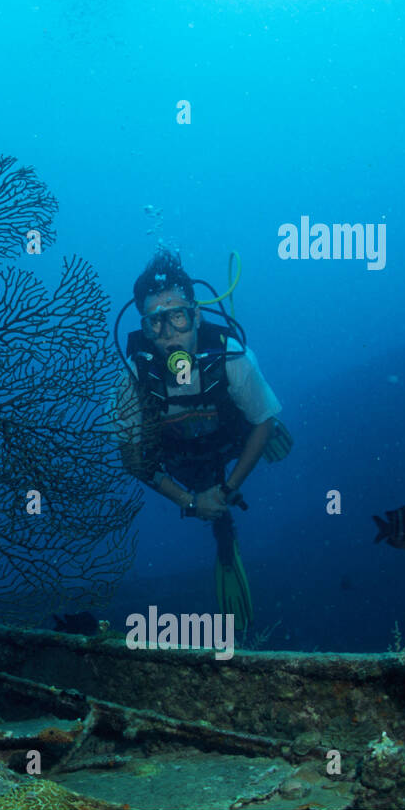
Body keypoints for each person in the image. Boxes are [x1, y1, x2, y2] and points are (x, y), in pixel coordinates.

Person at [115, 249, 289, 630]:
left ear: (196, 315)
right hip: (180, 455)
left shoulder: (230, 357)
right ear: (144, 329)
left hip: (230, 437)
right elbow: (131, 457)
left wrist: (226, 491)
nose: (168, 333)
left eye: (177, 316)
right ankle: (221, 533)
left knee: (269, 423)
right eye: (154, 324)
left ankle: (229, 492)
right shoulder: (134, 376)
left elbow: (259, 424)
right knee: (211, 505)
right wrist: (191, 502)